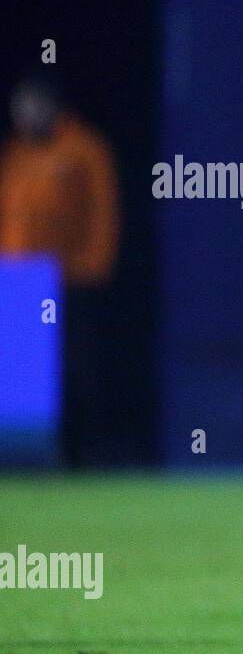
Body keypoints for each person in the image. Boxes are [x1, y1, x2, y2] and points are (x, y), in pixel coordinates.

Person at [0, 77, 119, 466]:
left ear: (53, 105)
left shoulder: (82, 148)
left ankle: (85, 454)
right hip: (19, 282)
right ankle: (27, 460)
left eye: (33, 104)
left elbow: (102, 212)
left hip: (70, 278)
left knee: (75, 370)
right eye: (20, 106)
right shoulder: (17, 153)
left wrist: (91, 266)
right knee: (22, 379)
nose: (26, 114)